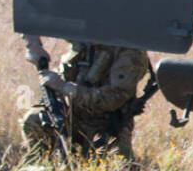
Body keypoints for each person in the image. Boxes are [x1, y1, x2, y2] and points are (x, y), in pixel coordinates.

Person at [20, 34, 151, 164]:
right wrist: (32, 43)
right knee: (33, 121)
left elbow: (112, 99)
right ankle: (42, 167)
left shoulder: (130, 52)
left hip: (108, 126)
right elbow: (34, 16)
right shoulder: (84, 31)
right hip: (72, 115)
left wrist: (63, 87)